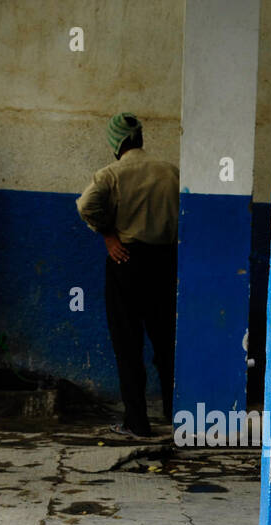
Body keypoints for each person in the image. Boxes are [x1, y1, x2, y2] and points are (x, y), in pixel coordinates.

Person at [76, 113, 179, 438]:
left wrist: (108, 235)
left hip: (128, 262)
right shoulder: (171, 172)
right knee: (166, 343)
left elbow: (85, 206)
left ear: (116, 142)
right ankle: (174, 414)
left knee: (128, 344)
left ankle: (137, 421)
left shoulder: (111, 174)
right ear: (140, 138)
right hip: (166, 262)